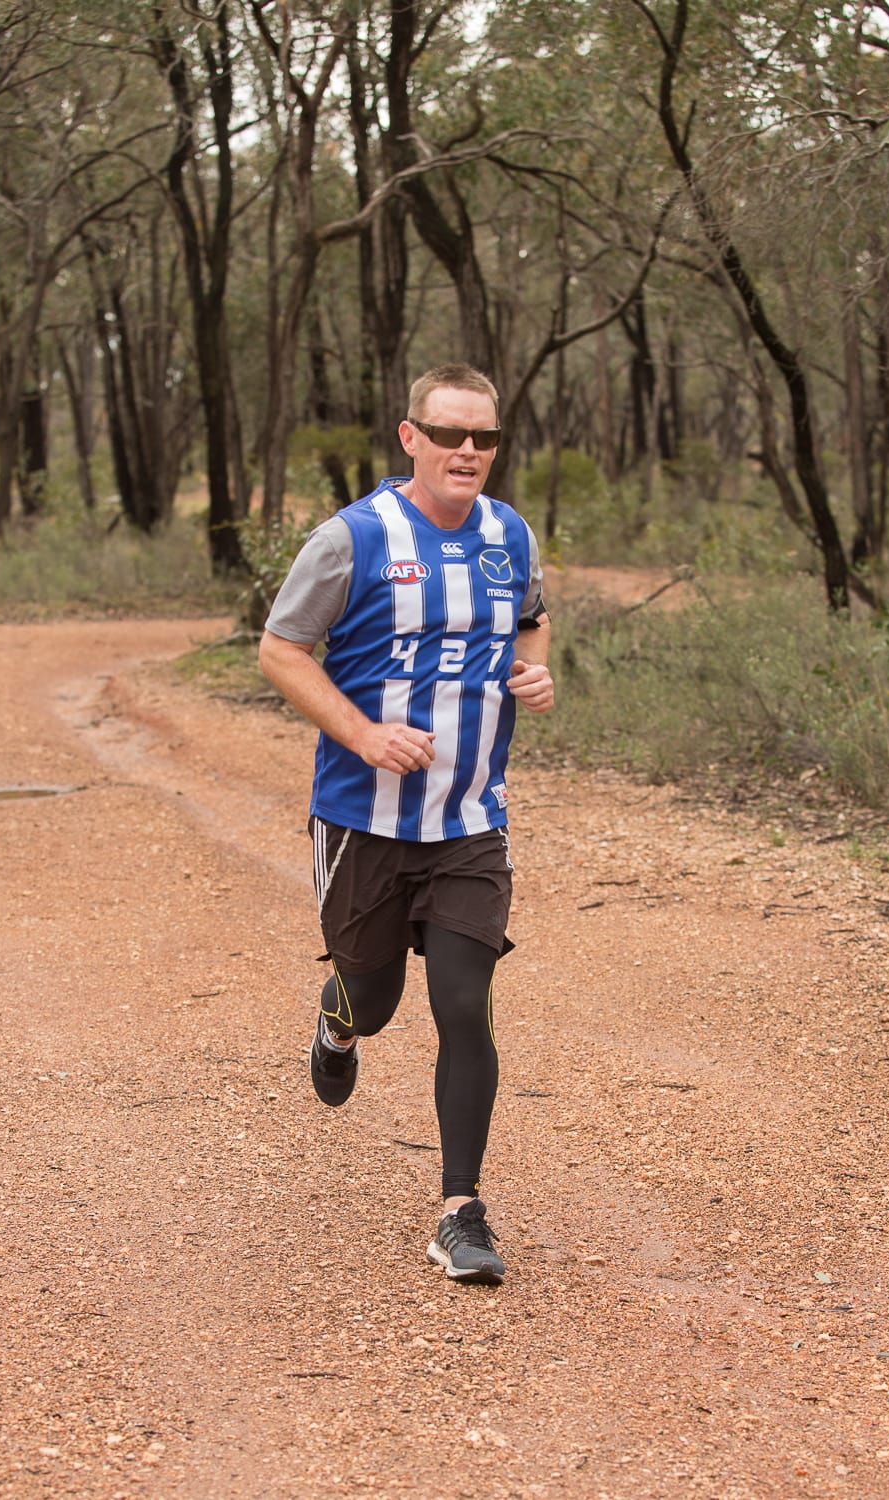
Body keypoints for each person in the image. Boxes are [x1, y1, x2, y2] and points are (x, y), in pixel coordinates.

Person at [258, 363, 553, 1284]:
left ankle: (461, 1211)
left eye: (486, 438)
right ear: (410, 437)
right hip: (363, 821)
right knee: (378, 1000)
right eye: (451, 434)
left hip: (470, 819)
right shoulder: (353, 541)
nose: (470, 452)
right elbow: (280, 649)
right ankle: (340, 1016)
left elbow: (533, 622)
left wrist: (536, 674)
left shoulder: (510, 536)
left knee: (463, 1006)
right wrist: (362, 731)